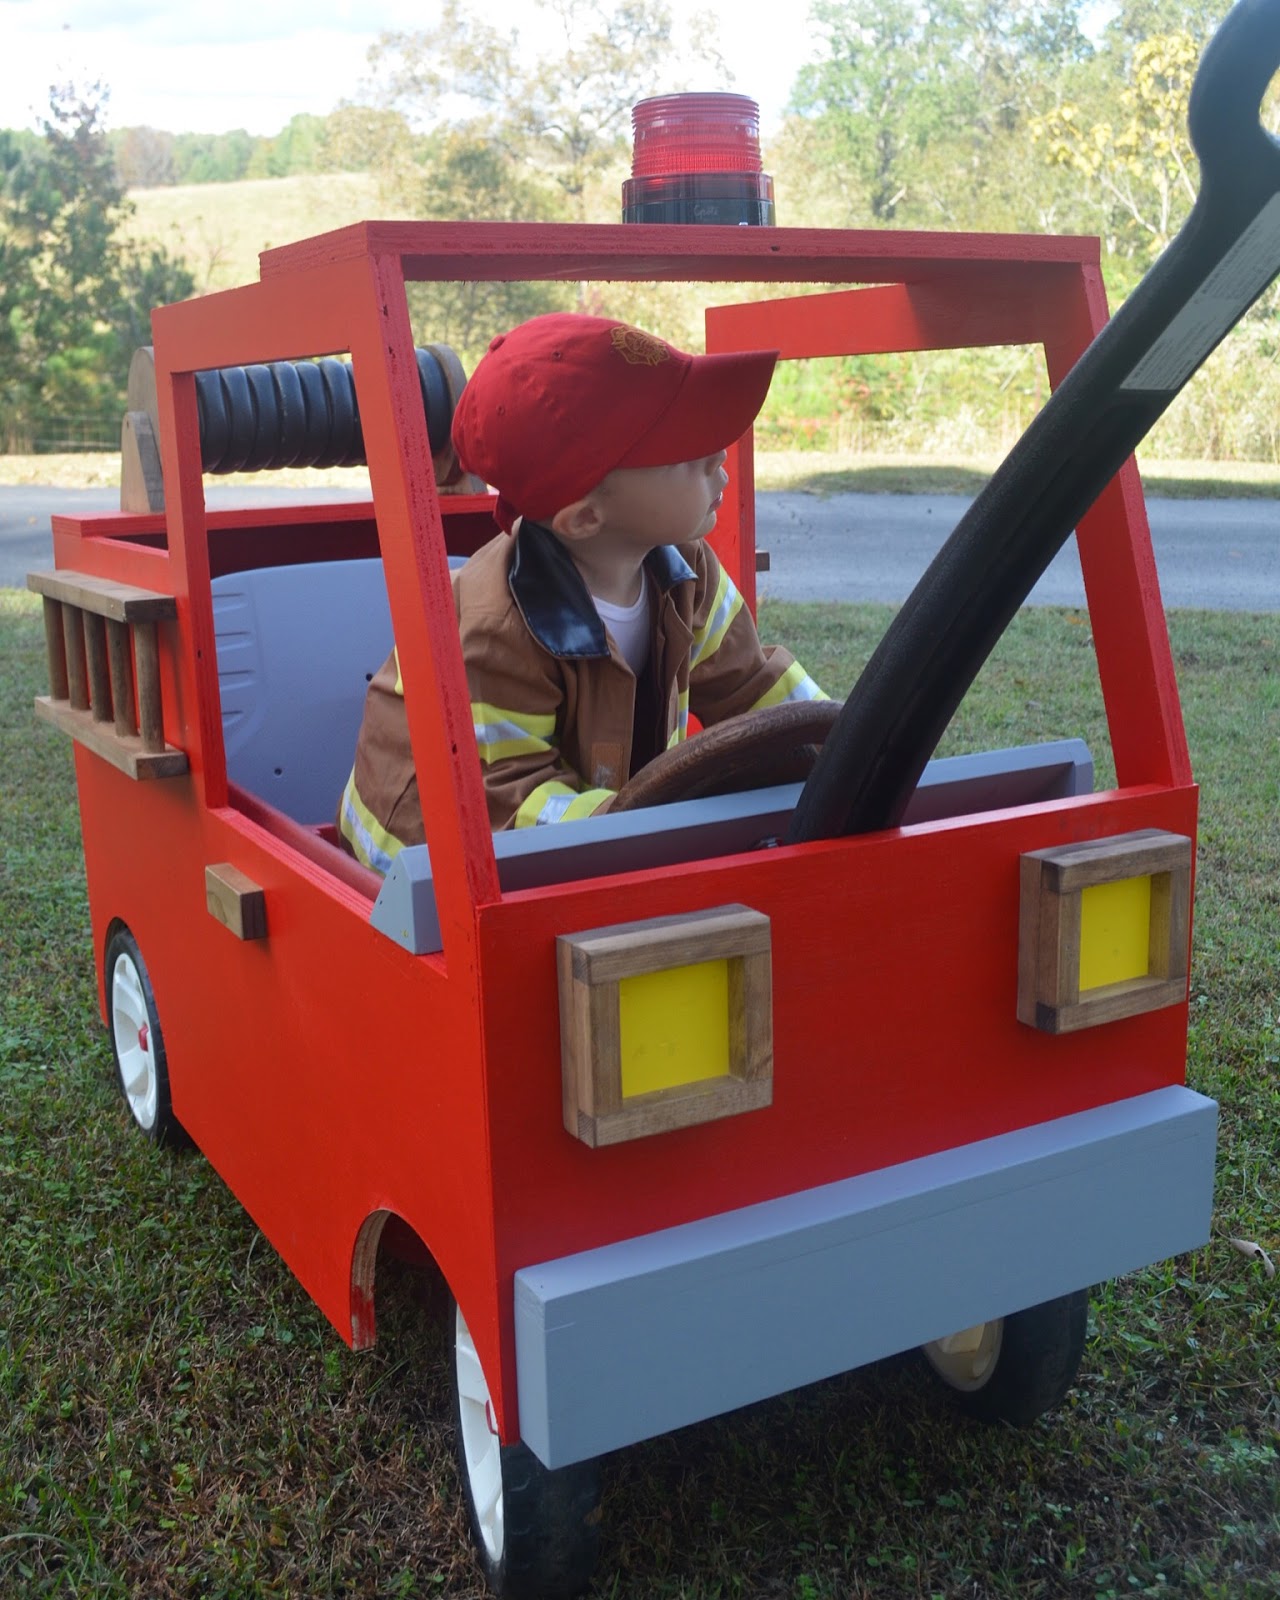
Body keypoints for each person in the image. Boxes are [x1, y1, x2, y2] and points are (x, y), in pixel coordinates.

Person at [338, 312, 826, 870]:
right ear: (586, 518)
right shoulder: (494, 633)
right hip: (418, 876)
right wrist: (644, 838)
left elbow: (753, 686)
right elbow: (512, 800)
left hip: (582, 828)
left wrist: (843, 746)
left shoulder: (688, 571)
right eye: (688, 454)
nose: (719, 457)